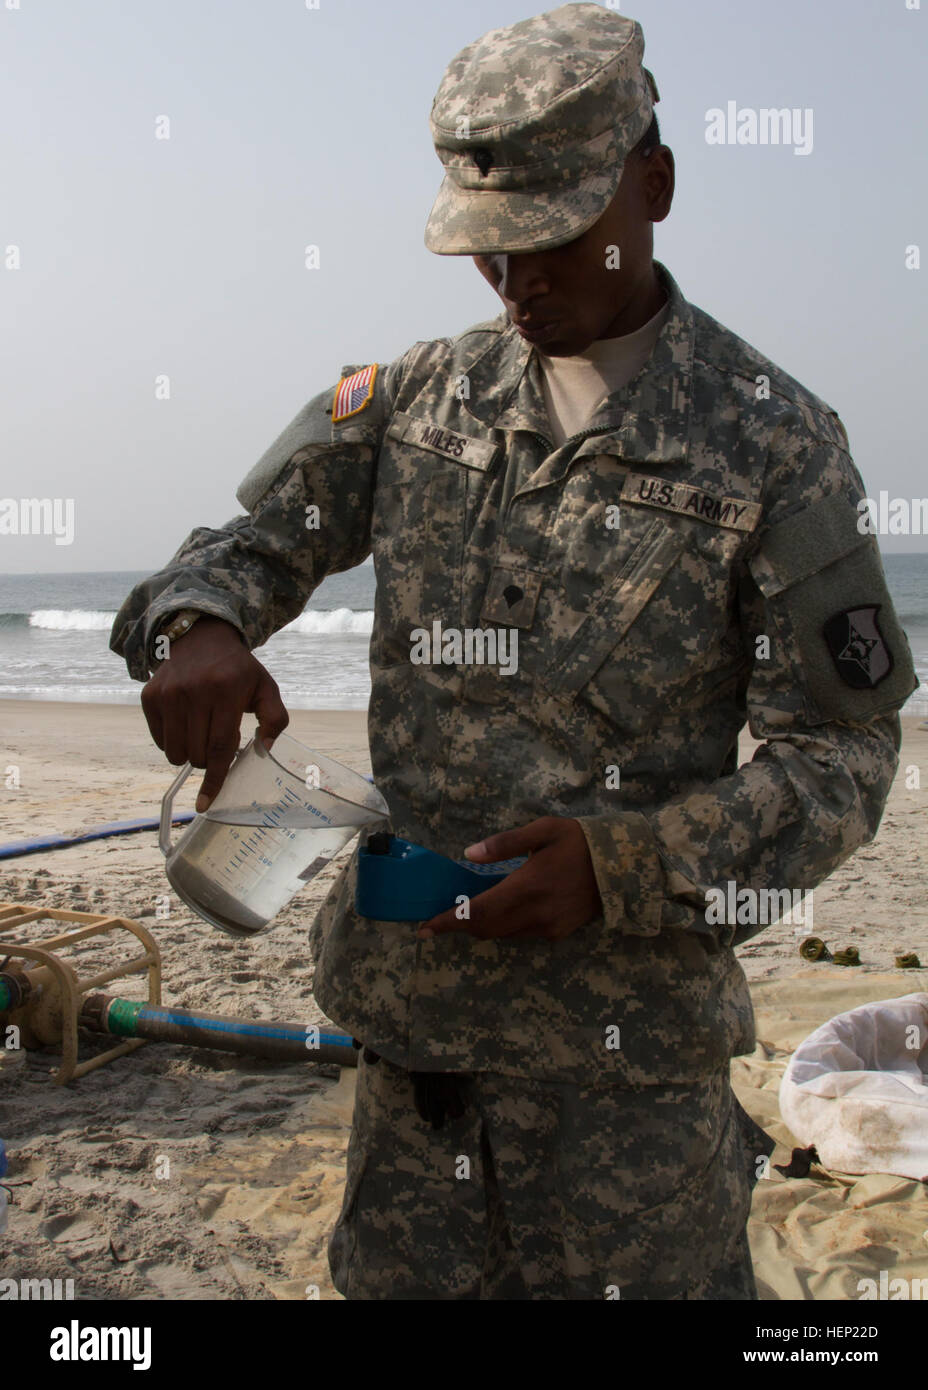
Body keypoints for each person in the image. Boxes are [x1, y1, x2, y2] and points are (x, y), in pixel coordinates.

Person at [111, 4, 918, 1299]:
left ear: (651, 186)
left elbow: (844, 755)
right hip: (411, 1064)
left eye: (551, 241)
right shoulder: (409, 401)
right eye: (490, 253)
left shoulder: (773, 443)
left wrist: (627, 865)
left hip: (629, 1093)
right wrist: (198, 625)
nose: (518, 282)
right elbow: (244, 543)